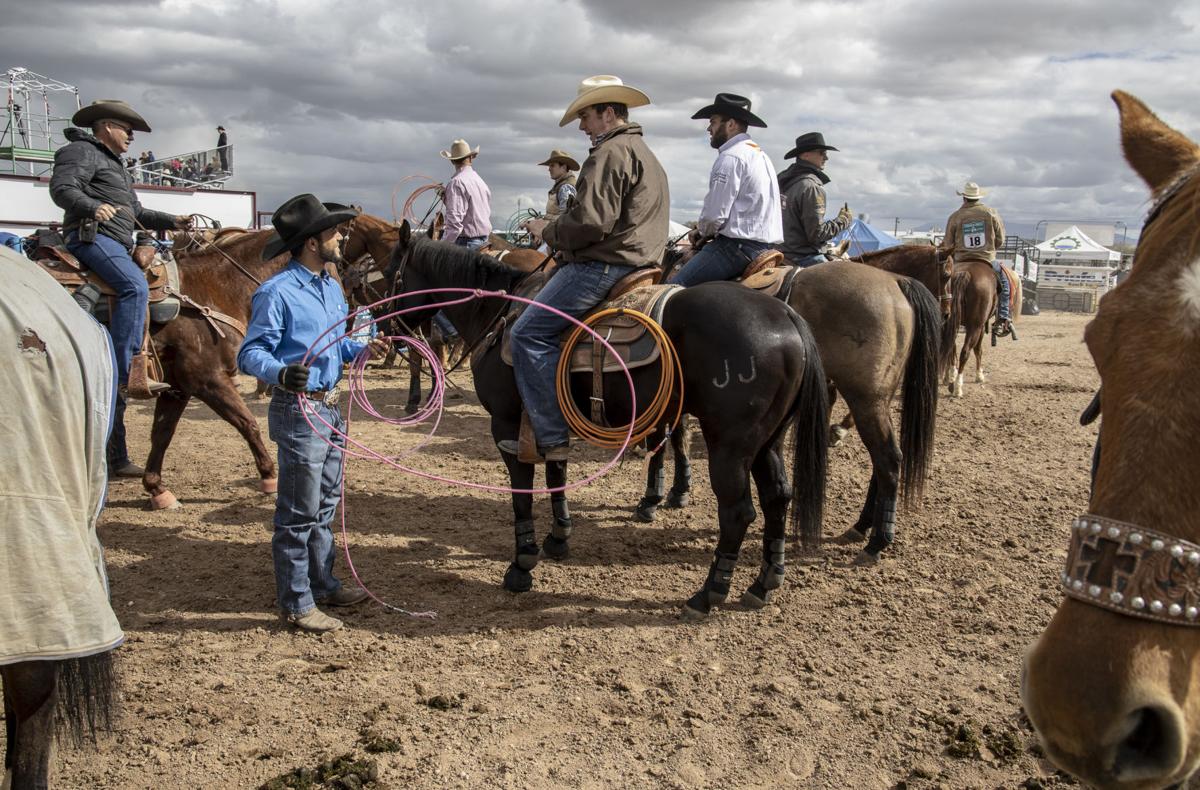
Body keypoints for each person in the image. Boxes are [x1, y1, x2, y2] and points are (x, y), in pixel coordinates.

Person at [237, 194, 390, 633]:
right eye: (333, 231)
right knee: (298, 512)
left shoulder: (331, 288)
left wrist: (363, 348)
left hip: (329, 408)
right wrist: (281, 373)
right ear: (310, 242)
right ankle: (297, 601)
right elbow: (250, 353)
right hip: (299, 410)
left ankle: (322, 584)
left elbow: (335, 345)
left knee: (324, 505)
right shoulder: (276, 293)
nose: (341, 237)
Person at [513, 75, 670, 461]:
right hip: (642, 262)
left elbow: (591, 222)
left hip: (603, 266)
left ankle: (550, 437)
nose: (582, 126)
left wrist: (548, 230)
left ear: (608, 113)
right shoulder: (646, 154)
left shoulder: (608, 153)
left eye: (585, 116)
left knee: (527, 333)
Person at [50, 99, 191, 479]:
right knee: (133, 286)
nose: (131, 137)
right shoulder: (81, 151)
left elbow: (136, 214)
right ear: (106, 126)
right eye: (127, 129)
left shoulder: (116, 166)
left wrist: (173, 220)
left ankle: (116, 457)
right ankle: (128, 365)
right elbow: (62, 189)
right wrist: (91, 207)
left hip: (116, 241)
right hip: (92, 238)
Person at [669, 92, 782, 286]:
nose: (709, 128)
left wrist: (702, 231)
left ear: (730, 124)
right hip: (763, 247)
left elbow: (714, 216)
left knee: (673, 289)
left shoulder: (731, 157)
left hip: (734, 248)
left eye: (713, 122)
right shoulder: (759, 155)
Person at [941, 181, 1009, 333]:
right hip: (986, 259)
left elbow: (948, 244)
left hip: (960, 260)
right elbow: (1000, 240)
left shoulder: (955, 216)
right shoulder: (991, 213)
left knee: (941, 284)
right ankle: (1003, 317)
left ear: (964, 197)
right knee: (1004, 283)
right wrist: (990, 248)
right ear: (978, 197)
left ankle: (940, 314)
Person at [777, 132, 852, 267]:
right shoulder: (811, 187)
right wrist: (843, 221)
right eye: (822, 153)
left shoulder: (782, 181)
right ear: (805, 154)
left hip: (780, 252)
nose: (826, 157)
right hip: (803, 257)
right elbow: (817, 234)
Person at [439, 139, 492, 249]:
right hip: (484, 241)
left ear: (452, 161)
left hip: (466, 243)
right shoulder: (480, 181)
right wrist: (447, 198)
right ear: (471, 158)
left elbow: (454, 225)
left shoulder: (456, 183)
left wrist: (440, 246)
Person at [538, 149, 579, 217]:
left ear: (563, 167)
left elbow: (564, 217)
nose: (549, 169)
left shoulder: (566, 187)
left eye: (552, 165)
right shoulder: (561, 185)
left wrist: (543, 222)